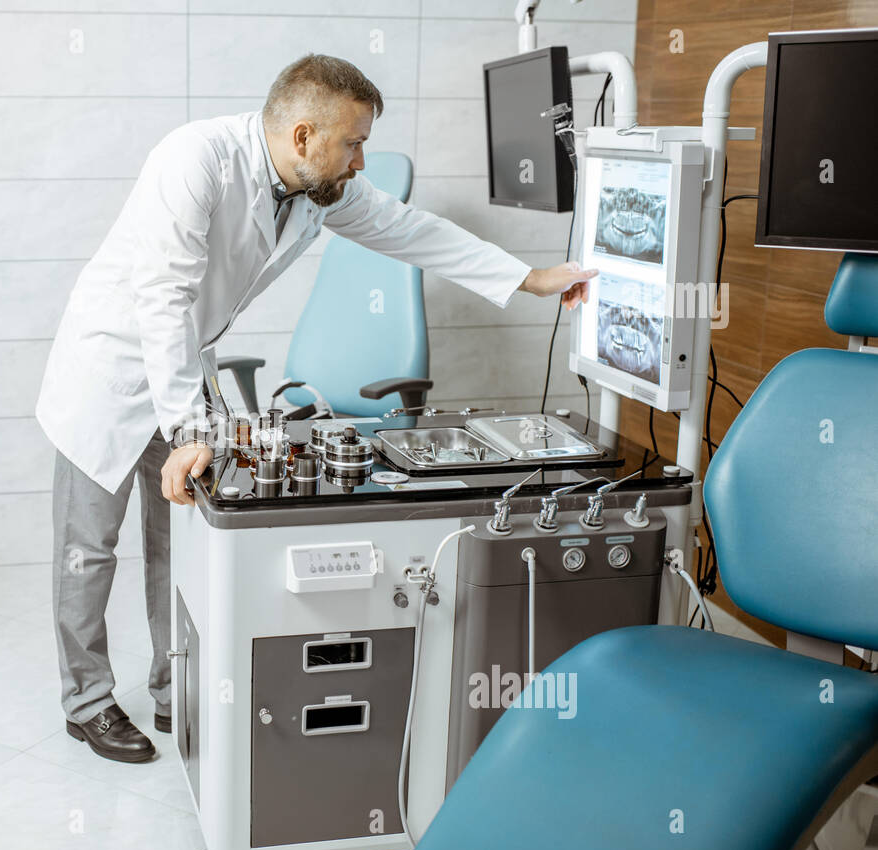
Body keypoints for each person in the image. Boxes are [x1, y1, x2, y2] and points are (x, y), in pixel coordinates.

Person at [34, 54, 595, 763]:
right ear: (304, 137)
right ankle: (86, 702)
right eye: (354, 143)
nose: (361, 161)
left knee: (176, 548)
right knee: (88, 551)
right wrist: (188, 427)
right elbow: (163, 300)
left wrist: (531, 278)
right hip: (109, 368)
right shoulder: (194, 161)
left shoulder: (315, 189)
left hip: (179, 368)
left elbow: (411, 230)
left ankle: (174, 685)